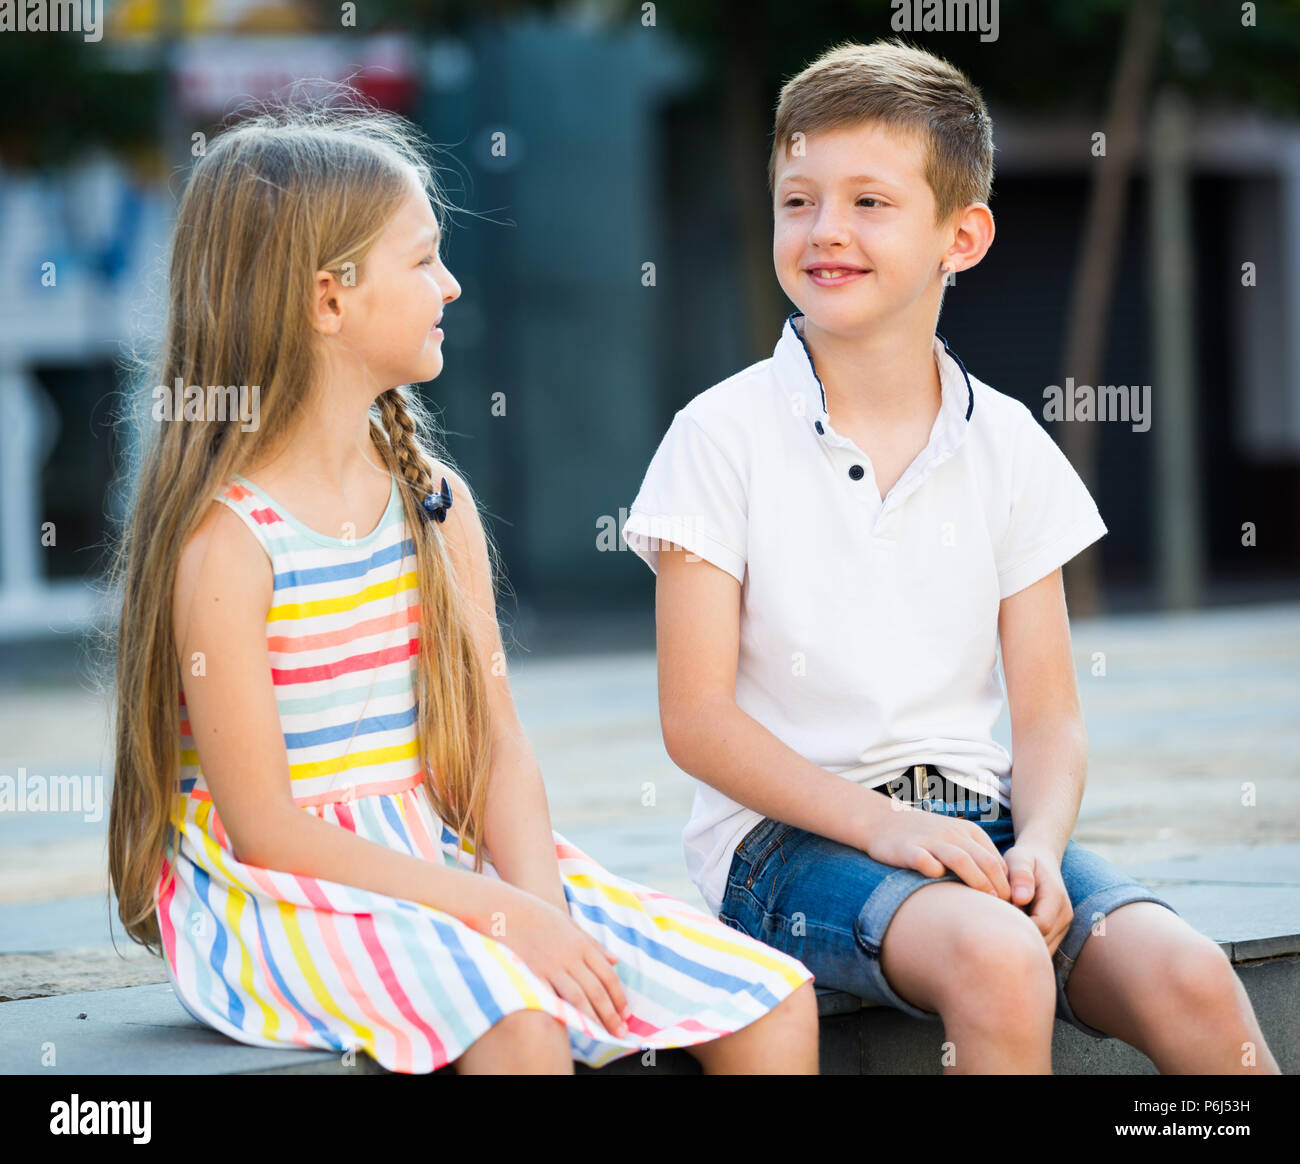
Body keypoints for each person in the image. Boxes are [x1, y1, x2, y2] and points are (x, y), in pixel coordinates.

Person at [104, 94, 817, 1076]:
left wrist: (544, 913)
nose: (450, 287)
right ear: (327, 300)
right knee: (518, 1022)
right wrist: (504, 919)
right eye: (422, 261)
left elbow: (492, 746)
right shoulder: (229, 544)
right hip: (285, 893)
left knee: (769, 997)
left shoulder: (434, 503)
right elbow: (266, 828)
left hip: (448, 864)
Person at [622, 38, 1279, 1075]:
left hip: (987, 828)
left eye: (869, 203)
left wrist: (1043, 845)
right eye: (799, 200)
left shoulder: (1010, 442)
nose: (824, 230)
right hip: (789, 850)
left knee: (1190, 976)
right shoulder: (720, 435)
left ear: (959, 235)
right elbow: (695, 723)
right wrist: (880, 828)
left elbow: (1050, 716)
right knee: (999, 960)